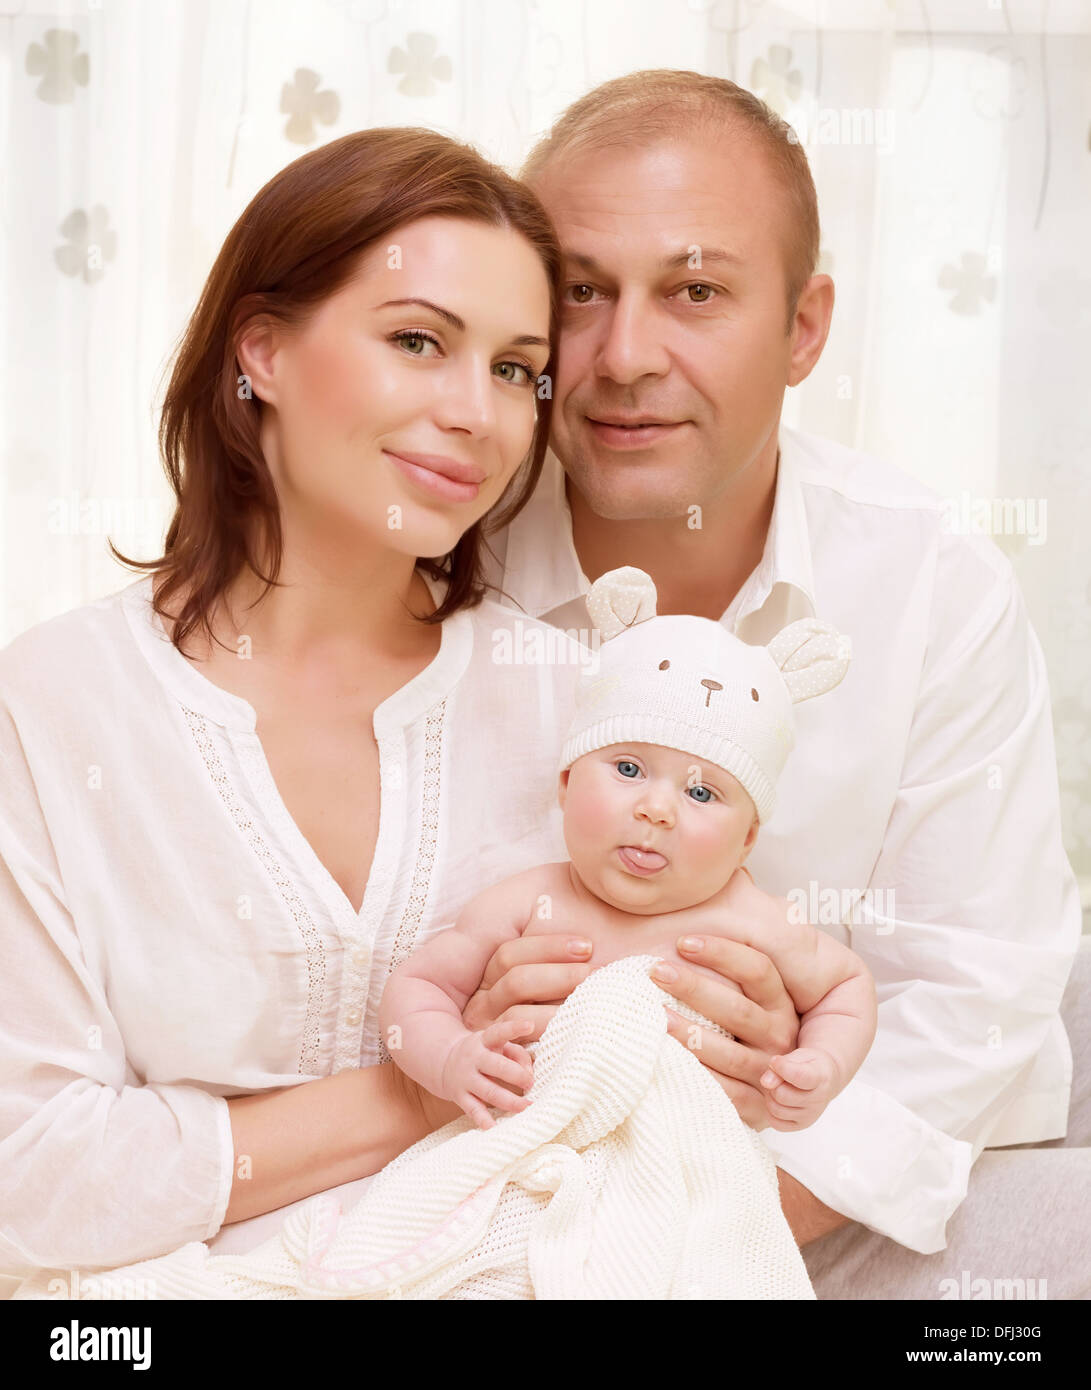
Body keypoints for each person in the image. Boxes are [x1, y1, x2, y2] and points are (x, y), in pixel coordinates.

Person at [466, 71, 1086, 1295]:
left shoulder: (929, 581)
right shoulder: (434, 560)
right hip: (510, 1188)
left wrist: (696, 1240)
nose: (624, 357)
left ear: (804, 328)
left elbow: (971, 994)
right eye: (580, 293)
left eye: (693, 292)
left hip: (833, 1175)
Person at [0, 126, 603, 1290]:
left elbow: (657, 1069)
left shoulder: (570, 708)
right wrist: (423, 1081)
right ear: (262, 351)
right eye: (418, 340)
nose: (477, 413)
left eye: (515, 369)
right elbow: (27, 1177)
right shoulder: (55, 708)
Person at [381, 564, 877, 1136]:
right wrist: (448, 1059)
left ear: (747, 839)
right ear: (565, 784)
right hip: (532, 1148)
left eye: (700, 792)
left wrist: (823, 1065)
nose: (656, 809)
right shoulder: (528, 904)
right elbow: (419, 987)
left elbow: (845, 989)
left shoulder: (756, 922)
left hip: (691, 1170)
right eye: (628, 768)